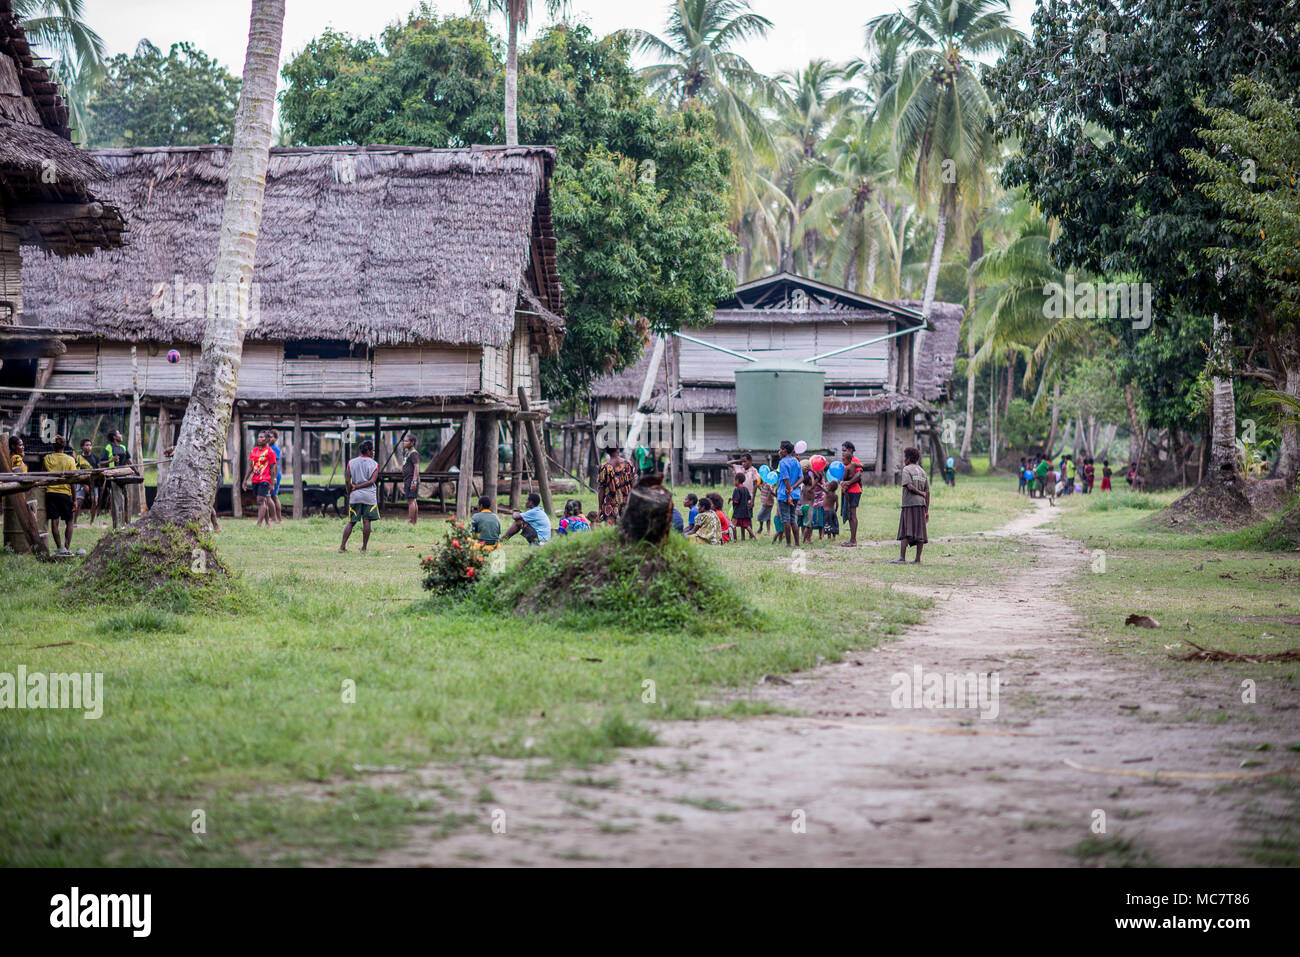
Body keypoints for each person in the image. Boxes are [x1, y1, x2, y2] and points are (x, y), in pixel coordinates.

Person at [339, 439, 379, 552]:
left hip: (355, 496)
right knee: (367, 521)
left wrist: (350, 490)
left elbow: (347, 480)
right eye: (373, 450)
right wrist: (358, 487)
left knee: (351, 522)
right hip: (369, 496)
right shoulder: (374, 464)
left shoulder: (351, 462)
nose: (373, 452)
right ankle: (364, 548)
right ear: (368, 451)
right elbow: (372, 481)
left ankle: (342, 547)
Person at [892, 447, 929, 564]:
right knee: (920, 531)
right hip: (921, 505)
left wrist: (919, 492)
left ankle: (902, 557)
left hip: (909, 504)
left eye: (904, 458)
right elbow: (927, 492)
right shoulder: (923, 471)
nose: (904, 460)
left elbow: (909, 486)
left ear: (908, 458)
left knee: (906, 529)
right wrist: (926, 510)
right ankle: (917, 559)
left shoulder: (907, 469)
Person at [42, 435, 77, 556]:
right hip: (65, 494)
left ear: (52, 445)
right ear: (64, 446)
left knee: (54, 521)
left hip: (51, 493)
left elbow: (43, 476)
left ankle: (59, 548)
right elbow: (72, 481)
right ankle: (67, 548)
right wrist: (75, 499)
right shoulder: (70, 460)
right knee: (70, 521)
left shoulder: (47, 458)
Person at [242, 431, 278, 528]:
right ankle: (268, 523)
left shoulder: (270, 452)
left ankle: (258, 524)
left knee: (260, 500)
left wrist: (272, 482)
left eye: (262, 437)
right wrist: (245, 480)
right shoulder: (254, 450)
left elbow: (272, 468)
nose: (259, 439)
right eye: (258, 437)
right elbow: (250, 467)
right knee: (263, 501)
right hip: (255, 479)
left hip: (265, 479)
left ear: (267, 440)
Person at [597, 447, 635, 525]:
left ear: (607, 452)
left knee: (611, 529)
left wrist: (600, 507)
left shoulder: (604, 467)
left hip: (611, 505)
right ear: (618, 449)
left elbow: (602, 488)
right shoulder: (628, 464)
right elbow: (633, 483)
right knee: (626, 528)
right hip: (627, 503)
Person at [775, 440, 802, 548]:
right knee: (792, 519)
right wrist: (793, 488)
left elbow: (786, 479)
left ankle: (789, 544)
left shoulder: (782, 463)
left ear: (785, 451)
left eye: (780, 449)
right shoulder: (796, 461)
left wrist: (789, 494)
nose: (779, 451)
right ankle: (797, 543)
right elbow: (801, 478)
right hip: (795, 494)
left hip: (784, 495)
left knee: (786, 520)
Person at [838, 441, 865, 547]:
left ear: (850, 450)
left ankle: (853, 541)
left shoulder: (854, 461)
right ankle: (851, 539)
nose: (843, 453)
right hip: (847, 491)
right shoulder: (845, 461)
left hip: (853, 491)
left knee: (852, 514)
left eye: (844, 450)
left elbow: (859, 474)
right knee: (849, 514)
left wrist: (848, 483)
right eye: (842, 451)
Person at [102, 429, 131, 528]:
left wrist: (136, 471)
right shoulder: (108, 447)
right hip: (114, 478)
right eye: (119, 433)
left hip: (124, 476)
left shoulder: (123, 447)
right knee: (117, 502)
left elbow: (128, 461)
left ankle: (127, 523)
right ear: (114, 437)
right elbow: (100, 463)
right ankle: (117, 526)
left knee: (127, 500)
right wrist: (112, 460)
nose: (121, 435)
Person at [73, 438, 98, 524]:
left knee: (95, 501)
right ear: (82, 447)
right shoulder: (79, 458)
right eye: (87, 445)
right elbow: (77, 473)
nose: (89, 447)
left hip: (93, 483)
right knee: (79, 502)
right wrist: (84, 485)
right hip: (81, 483)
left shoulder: (94, 457)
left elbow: (98, 469)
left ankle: (91, 521)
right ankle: (74, 521)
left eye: (90, 445)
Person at [401, 435, 420, 526]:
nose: (404, 443)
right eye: (404, 441)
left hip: (411, 480)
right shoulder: (407, 452)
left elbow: (416, 467)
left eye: (406, 441)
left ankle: (411, 521)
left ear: (412, 443)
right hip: (407, 479)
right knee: (413, 500)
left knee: (411, 501)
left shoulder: (414, 453)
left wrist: (414, 481)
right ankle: (414, 522)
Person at [804, 465, 825, 543]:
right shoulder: (812, 485)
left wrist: (812, 473)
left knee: (817, 522)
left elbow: (818, 478)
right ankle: (809, 537)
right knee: (812, 523)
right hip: (814, 504)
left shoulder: (818, 481)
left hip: (818, 504)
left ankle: (818, 536)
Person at [267, 428, 284, 523]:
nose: (269, 438)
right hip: (269, 474)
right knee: (271, 496)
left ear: (276, 438)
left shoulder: (275, 449)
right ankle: (274, 518)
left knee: (274, 496)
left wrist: (274, 478)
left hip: (275, 475)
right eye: (268, 436)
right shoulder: (268, 448)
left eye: (271, 437)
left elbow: (276, 465)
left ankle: (278, 518)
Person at [730, 471, 753, 541]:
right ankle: (752, 537)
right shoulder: (745, 489)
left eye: (734, 480)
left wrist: (732, 500)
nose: (734, 482)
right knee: (745, 525)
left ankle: (735, 539)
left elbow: (736, 501)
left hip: (737, 511)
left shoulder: (737, 489)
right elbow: (749, 498)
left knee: (733, 525)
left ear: (737, 480)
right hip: (745, 510)